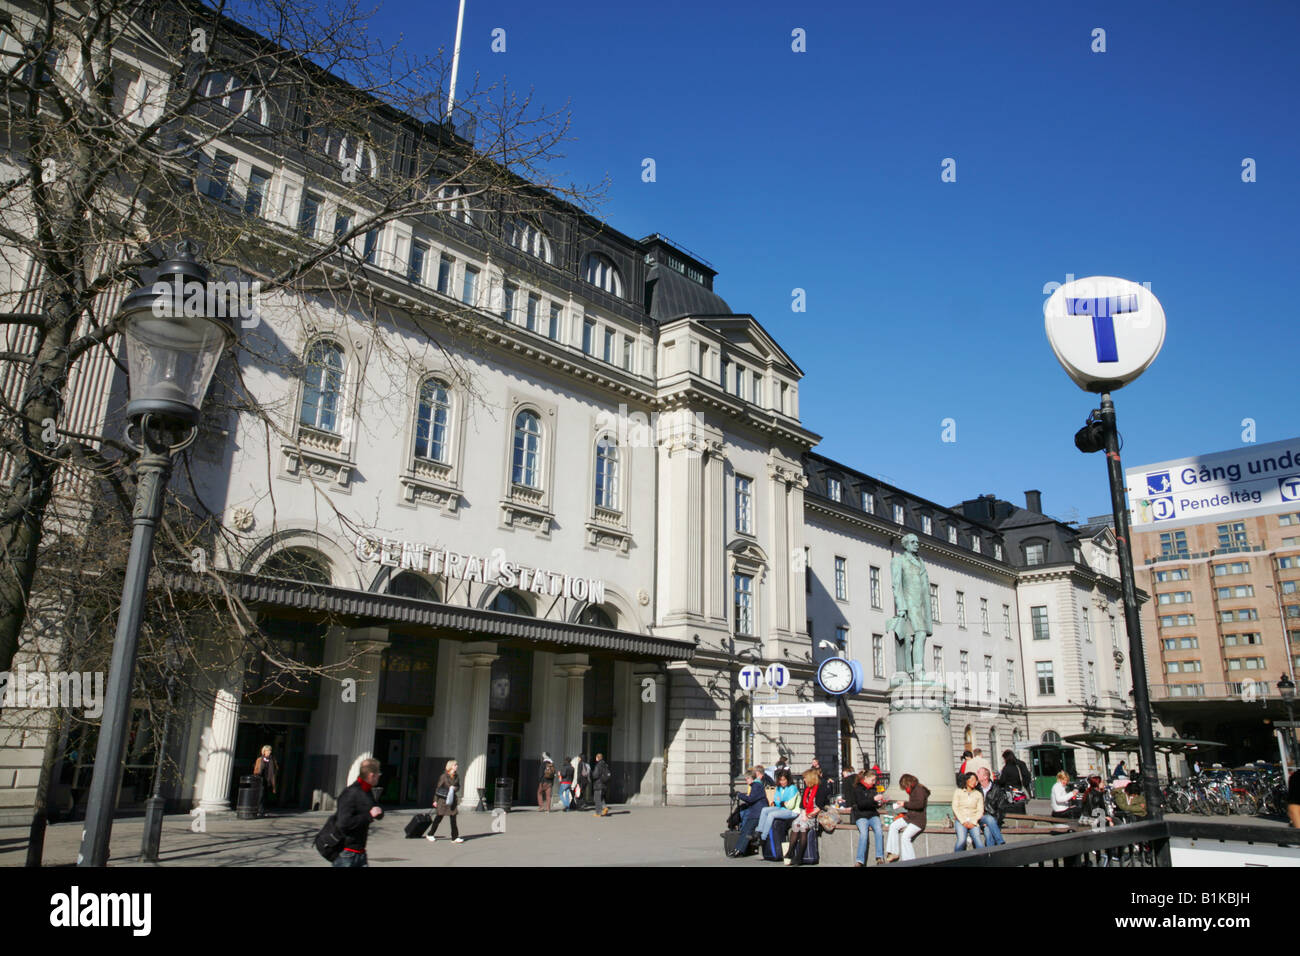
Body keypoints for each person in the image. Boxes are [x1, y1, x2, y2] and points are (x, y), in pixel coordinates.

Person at [334, 758, 383, 867]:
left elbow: (374, 808)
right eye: (378, 773)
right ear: (371, 775)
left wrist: (379, 813)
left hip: (360, 852)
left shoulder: (367, 791)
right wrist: (369, 816)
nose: (379, 776)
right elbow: (343, 823)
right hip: (346, 853)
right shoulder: (351, 793)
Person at [784, 769, 831, 866]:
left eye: (805, 778)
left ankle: (799, 857)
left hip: (814, 816)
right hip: (805, 814)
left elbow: (820, 806)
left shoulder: (820, 789)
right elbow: (802, 806)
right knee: (795, 824)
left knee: (803, 827)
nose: (804, 780)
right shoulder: (806, 789)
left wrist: (810, 815)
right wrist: (804, 814)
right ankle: (791, 851)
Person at [884, 773, 929, 862]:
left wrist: (904, 804)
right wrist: (904, 805)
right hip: (910, 817)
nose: (905, 790)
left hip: (918, 821)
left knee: (905, 837)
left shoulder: (919, 790)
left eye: (904, 787)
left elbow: (919, 805)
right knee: (893, 826)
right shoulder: (914, 789)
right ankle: (893, 852)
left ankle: (909, 861)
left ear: (907, 783)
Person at [851, 769, 887, 866]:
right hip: (861, 815)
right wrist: (873, 799)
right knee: (864, 834)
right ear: (866, 778)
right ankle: (859, 861)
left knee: (879, 831)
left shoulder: (873, 788)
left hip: (872, 814)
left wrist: (880, 803)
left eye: (875, 780)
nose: (874, 782)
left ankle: (880, 857)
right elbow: (861, 804)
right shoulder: (858, 788)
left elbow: (874, 804)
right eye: (872, 780)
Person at [756, 769, 801, 842]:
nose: (782, 782)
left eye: (784, 780)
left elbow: (790, 806)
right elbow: (776, 801)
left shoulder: (792, 788)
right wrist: (783, 803)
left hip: (792, 811)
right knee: (764, 810)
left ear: (788, 779)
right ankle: (758, 832)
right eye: (780, 780)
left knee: (771, 814)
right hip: (782, 808)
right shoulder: (779, 788)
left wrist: (781, 802)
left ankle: (763, 838)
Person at [731, 768, 768, 856]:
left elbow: (751, 799)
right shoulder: (756, 785)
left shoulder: (756, 785)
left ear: (752, 778)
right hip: (756, 812)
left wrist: (739, 795)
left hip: (757, 813)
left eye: (747, 778)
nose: (746, 780)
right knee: (746, 830)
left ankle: (739, 850)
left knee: (747, 830)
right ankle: (739, 849)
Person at [427, 759, 464, 843]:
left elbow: (458, 786)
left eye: (456, 765)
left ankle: (455, 837)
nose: (456, 766)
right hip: (443, 801)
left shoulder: (456, 776)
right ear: (451, 766)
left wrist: (455, 788)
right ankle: (430, 834)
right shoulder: (443, 776)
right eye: (455, 765)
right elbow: (438, 788)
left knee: (453, 819)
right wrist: (435, 800)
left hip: (452, 801)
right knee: (438, 818)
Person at [952, 772, 986, 852]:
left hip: (973, 820)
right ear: (966, 780)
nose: (974, 782)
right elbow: (955, 807)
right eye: (972, 779)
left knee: (978, 841)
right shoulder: (958, 791)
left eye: (976, 780)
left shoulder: (978, 794)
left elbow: (980, 810)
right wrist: (963, 821)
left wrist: (973, 821)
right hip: (961, 820)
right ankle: (955, 860)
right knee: (961, 841)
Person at [975, 766, 1007, 846]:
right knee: (989, 819)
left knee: (988, 830)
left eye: (978, 773)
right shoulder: (976, 789)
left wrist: (993, 822)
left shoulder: (997, 790)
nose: (976, 774)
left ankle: (990, 853)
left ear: (985, 777)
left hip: (994, 819)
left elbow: (1001, 808)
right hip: (980, 817)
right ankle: (1000, 842)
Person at [253, 745, 278, 817]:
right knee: (260, 795)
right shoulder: (259, 760)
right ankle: (259, 810)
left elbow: (276, 769)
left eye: (270, 750)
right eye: (268, 750)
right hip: (260, 780)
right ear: (264, 752)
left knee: (265, 796)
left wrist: (273, 775)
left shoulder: (272, 760)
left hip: (268, 780)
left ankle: (263, 811)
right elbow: (256, 769)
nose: (269, 752)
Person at [591, 752, 611, 817]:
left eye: (596, 757)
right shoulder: (605, 764)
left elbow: (595, 775)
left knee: (597, 799)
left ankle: (598, 813)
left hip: (598, 784)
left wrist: (592, 774)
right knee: (601, 798)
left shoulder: (598, 765)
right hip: (604, 784)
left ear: (597, 758)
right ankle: (605, 808)